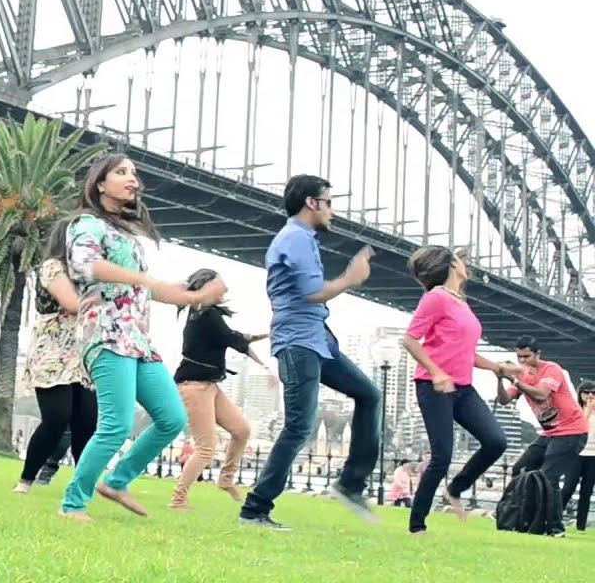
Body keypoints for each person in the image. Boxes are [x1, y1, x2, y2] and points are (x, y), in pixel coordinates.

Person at [59, 155, 224, 522]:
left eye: (134, 173)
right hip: (105, 332)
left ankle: (117, 480)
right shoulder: (86, 224)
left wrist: (195, 296)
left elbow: (149, 291)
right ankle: (72, 504)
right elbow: (85, 265)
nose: (132, 179)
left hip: (136, 338)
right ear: (100, 183)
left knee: (171, 418)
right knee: (115, 425)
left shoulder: (128, 237)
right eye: (121, 172)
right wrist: (143, 280)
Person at [238, 174, 380, 531]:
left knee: (369, 395)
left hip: (318, 339)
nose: (332, 210)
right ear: (312, 203)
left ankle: (350, 484)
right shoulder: (295, 238)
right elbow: (311, 292)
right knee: (299, 427)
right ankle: (255, 509)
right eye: (329, 202)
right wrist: (350, 277)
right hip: (299, 342)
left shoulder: (304, 239)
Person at [401, 245, 511, 534]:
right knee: (442, 456)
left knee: (496, 441)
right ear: (451, 264)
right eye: (462, 260)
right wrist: (437, 373)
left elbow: (467, 352)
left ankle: (456, 488)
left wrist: (499, 367)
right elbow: (410, 340)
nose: (467, 265)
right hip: (434, 386)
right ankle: (417, 526)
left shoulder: (460, 301)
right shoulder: (435, 298)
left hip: (463, 387)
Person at [171, 268, 269, 509]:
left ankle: (225, 479)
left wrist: (265, 344)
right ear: (208, 286)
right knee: (206, 447)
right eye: (221, 284)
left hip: (210, 386)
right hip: (193, 387)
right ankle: (178, 500)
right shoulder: (204, 315)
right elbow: (236, 340)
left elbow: (234, 337)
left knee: (242, 430)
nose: (225, 290)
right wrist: (266, 358)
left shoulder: (207, 314)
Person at [14, 220, 94, 495]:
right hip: (53, 350)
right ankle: (26, 480)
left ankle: (82, 488)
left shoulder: (93, 271)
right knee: (57, 417)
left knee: (87, 422)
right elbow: (71, 304)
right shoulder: (52, 267)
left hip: (84, 351)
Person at [496, 336, 589, 536]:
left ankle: (555, 527)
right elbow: (504, 400)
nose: (522, 361)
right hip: (550, 433)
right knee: (520, 468)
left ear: (538, 354)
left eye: (527, 356)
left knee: (548, 477)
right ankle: (522, 517)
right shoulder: (522, 375)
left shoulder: (551, 369)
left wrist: (514, 379)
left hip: (572, 431)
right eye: (519, 357)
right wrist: (500, 380)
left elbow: (541, 395)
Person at [559, 381, 595, 531]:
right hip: (576, 454)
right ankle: (554, 517)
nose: (590, 396)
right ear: (580, 393)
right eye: (586, 392)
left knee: (586, 492)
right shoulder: (575, 409)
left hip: (593, 455)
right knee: (568, 488)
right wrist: (587, 410)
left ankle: (581, 526)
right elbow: (578, 427)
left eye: (593, 393)